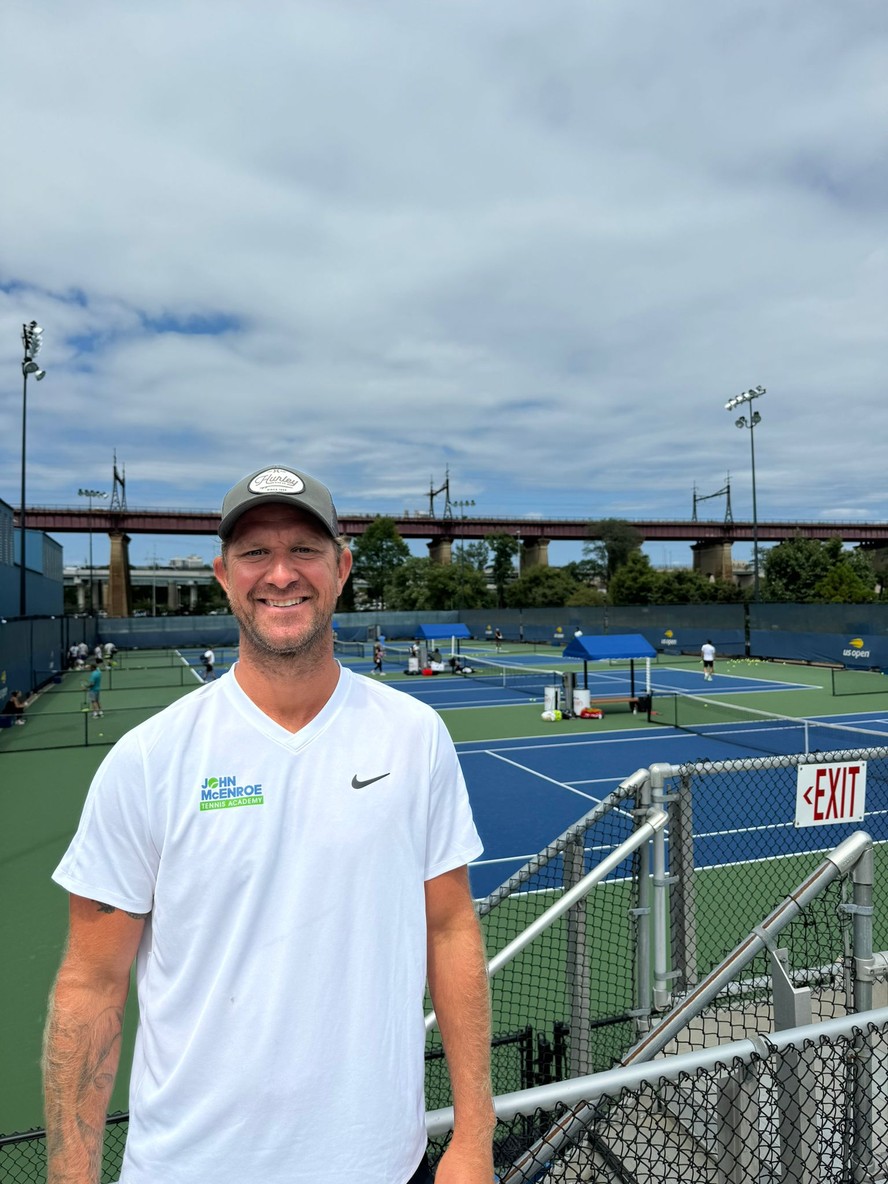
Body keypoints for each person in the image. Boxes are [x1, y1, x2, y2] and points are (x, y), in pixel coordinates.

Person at [44, 464, 494, 1184]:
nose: (280, 574)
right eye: (256, 553)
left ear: (342, 567)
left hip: (384, 1167)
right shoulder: (148, 761)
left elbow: (450, 929)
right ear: (223, 574)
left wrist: (474, 1135)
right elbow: (91, 988)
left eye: (304, 550)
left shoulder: (416, 736)